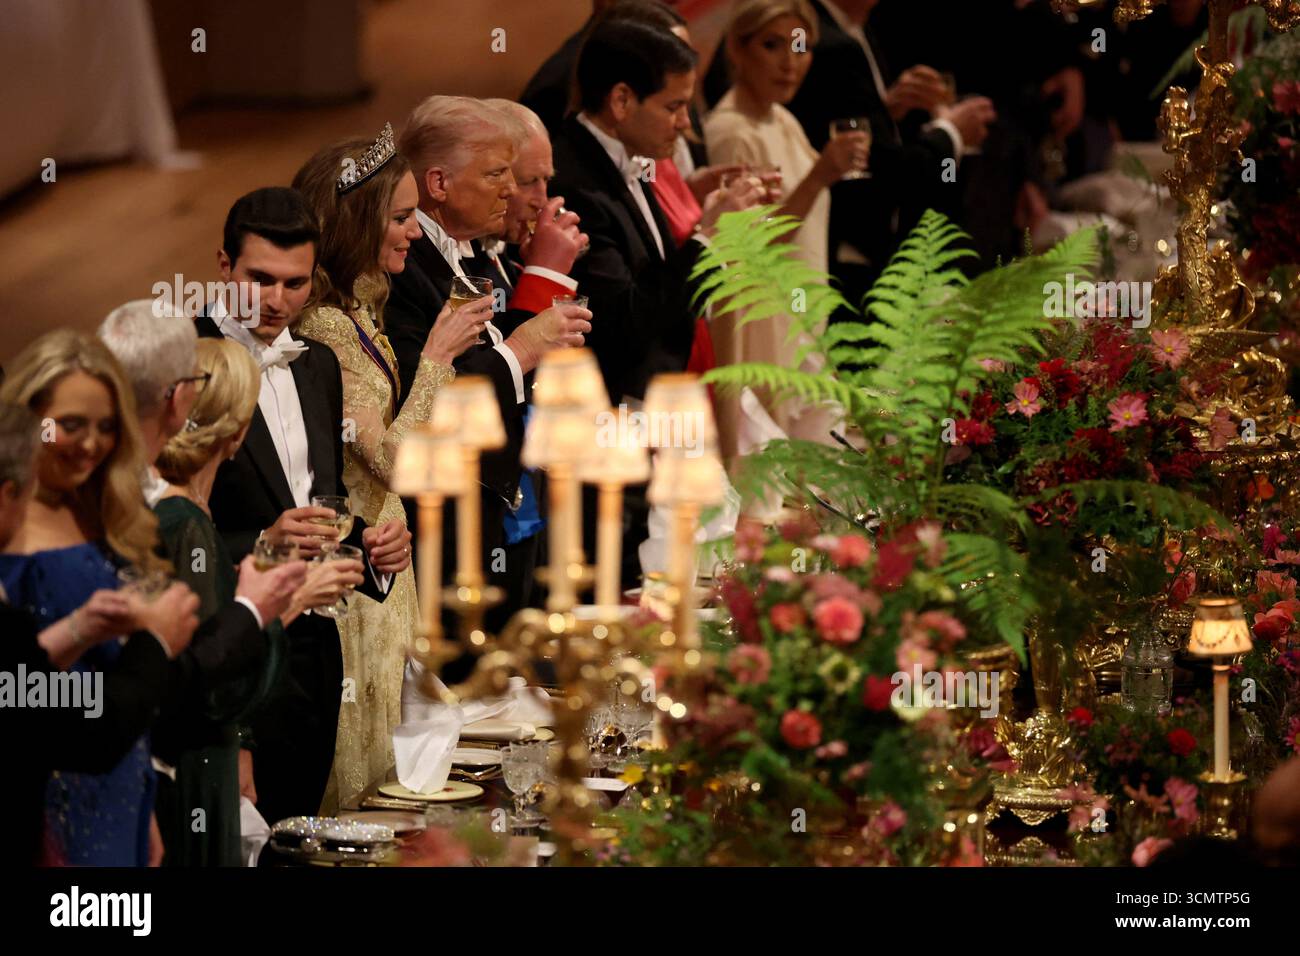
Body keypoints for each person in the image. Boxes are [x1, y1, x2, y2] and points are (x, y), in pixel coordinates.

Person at [196, 186, 412, 825]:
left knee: (300, 841)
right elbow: (156, 528)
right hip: (226, 659)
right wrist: (263, 543)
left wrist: (370, 549)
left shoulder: (317, 363)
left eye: (294, 284)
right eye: (258, 279)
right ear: (223, 265)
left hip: (315, 656)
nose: (276, 301)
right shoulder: (185, 362)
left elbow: (319, 507)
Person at [291, 126, 481, 810]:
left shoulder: (362, 312)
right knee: (362, 774)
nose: (412, 232)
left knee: (397, 766)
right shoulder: (327, 330)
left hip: (389, 563)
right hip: (357, 581)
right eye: (400, 218)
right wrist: (436, 360)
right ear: (357, 222)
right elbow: (394, 460)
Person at [387, 96, 592, 640]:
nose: (512, 190)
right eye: (498, 174)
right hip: (443, 526)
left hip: (500, 503)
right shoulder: (403, 272)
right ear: (439, 183)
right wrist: (524, 348)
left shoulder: (470, 251)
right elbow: (433, 401)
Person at [0, 331, 200, 865]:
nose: (91, 444)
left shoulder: (109, 511)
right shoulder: (7, 526)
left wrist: (144, 792)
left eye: (106, 427)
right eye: (70, 425)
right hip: (45, 785)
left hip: (122, 769)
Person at [151, 337, 348, 864]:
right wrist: (288, 603)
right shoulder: (185, 524)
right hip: (193, 769)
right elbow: (208, 681)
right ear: (237, 433)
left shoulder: (187, 512)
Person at [704, 0, 858, 445]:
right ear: (737, 48)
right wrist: (821, 175)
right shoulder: (732, 131)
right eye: (773, 46)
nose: (790, 63)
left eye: (800, 47)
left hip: (803, 309)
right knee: (778, 464)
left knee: (821, 456)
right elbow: (753, 246)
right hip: (763, 320)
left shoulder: (783, 119)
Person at [781, 0, 995, 295]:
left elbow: (845, 123)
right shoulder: (830, 42)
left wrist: (884, 110)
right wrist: (950, 132)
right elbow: (889, 169)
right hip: (847, 250)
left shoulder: (860, 29)